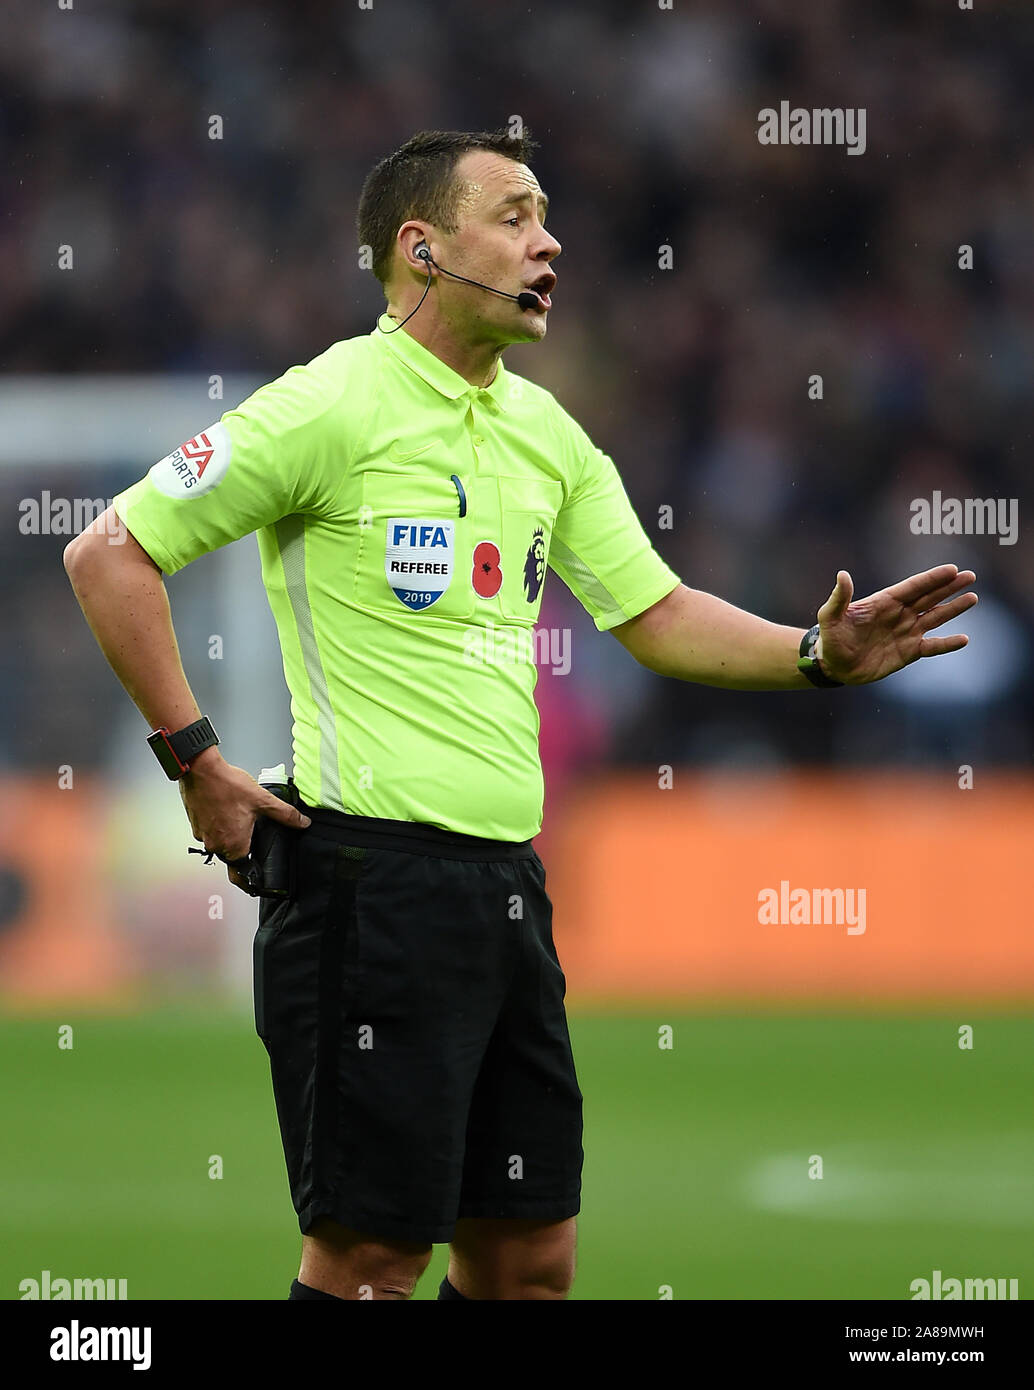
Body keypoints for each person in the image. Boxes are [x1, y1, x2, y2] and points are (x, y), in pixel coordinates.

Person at [63, 128, 978, 1301]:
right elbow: (111, 553)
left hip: (502, 890)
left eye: (546, 218)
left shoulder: (543, 434)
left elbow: (652, 611)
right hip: (365, 886)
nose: (548, 242)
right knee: (370, 1261)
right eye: (513, 215)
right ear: (422, 248)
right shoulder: (330, 403)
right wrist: (193, 759)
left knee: (528, 1263)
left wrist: (811, 653)